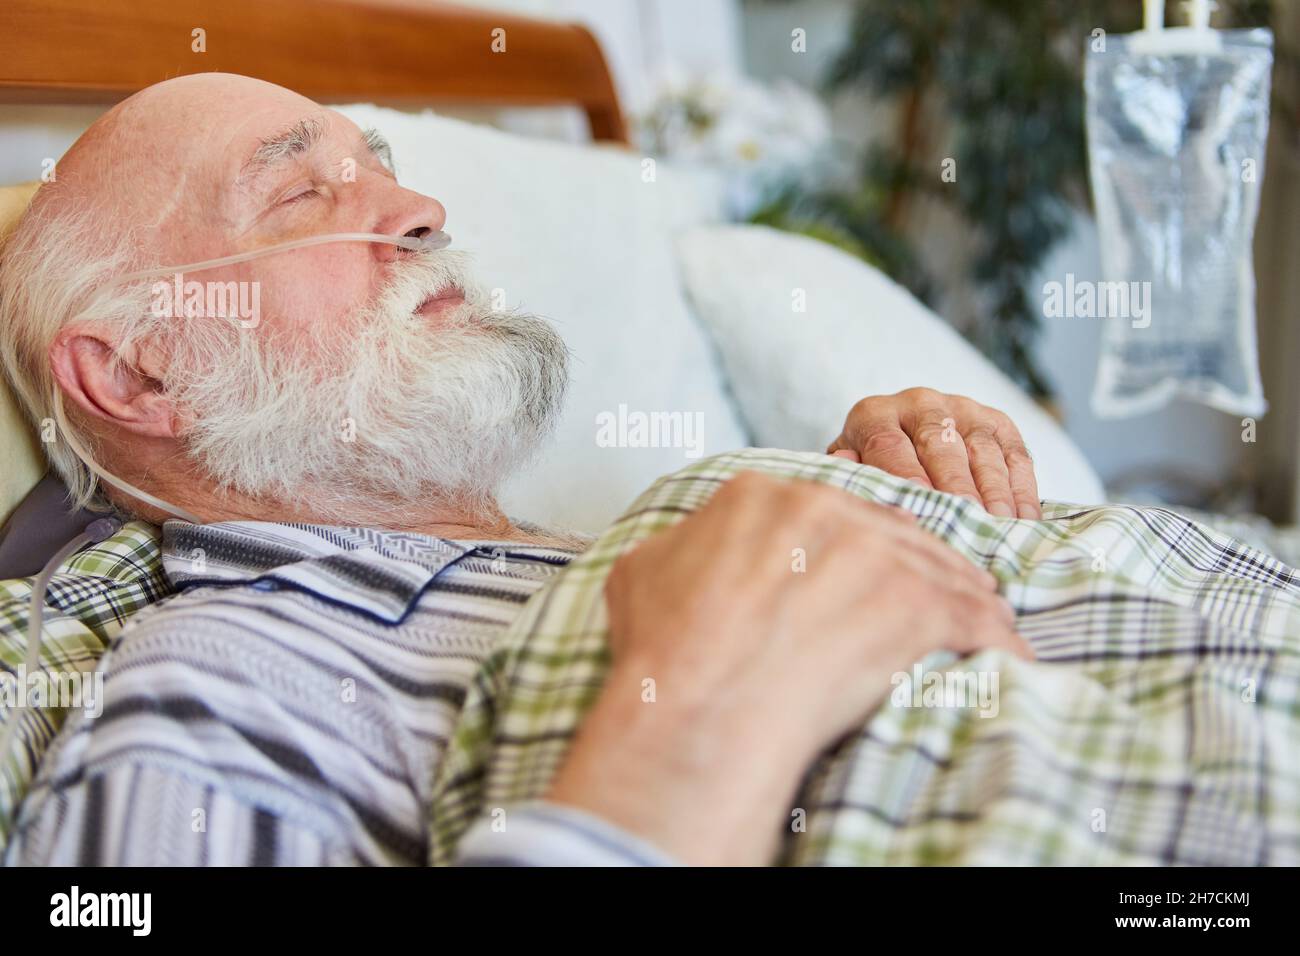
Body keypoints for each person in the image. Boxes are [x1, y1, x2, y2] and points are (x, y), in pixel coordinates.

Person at [0, 74, 1039, 865]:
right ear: (138, 372)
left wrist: (890, 505)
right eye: (299, 192)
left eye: (381, 164)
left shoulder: (613, 544)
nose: (418, 207)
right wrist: (696, 705)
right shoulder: (225, 689)